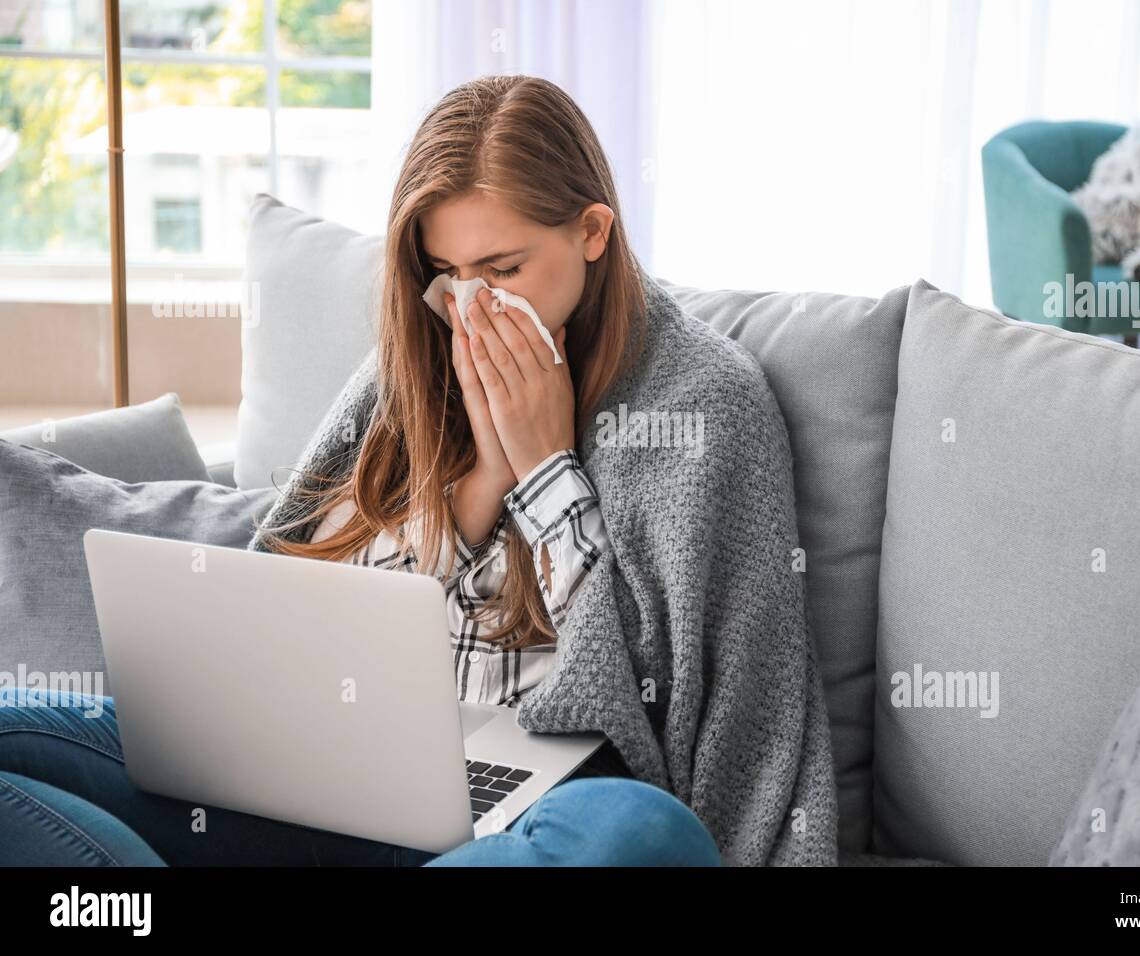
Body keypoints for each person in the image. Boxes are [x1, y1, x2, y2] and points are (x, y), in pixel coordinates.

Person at [0, 74, 724, 867]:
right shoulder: (410, 366)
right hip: (329, 778)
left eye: (506, 269)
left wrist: (547, 469)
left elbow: (659, 712)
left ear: (592, 231)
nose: (473, 308)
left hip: (538, 813)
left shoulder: (698, 398)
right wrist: (480, 480)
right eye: (450, 274)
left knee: (642, 835)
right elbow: (310, 609)